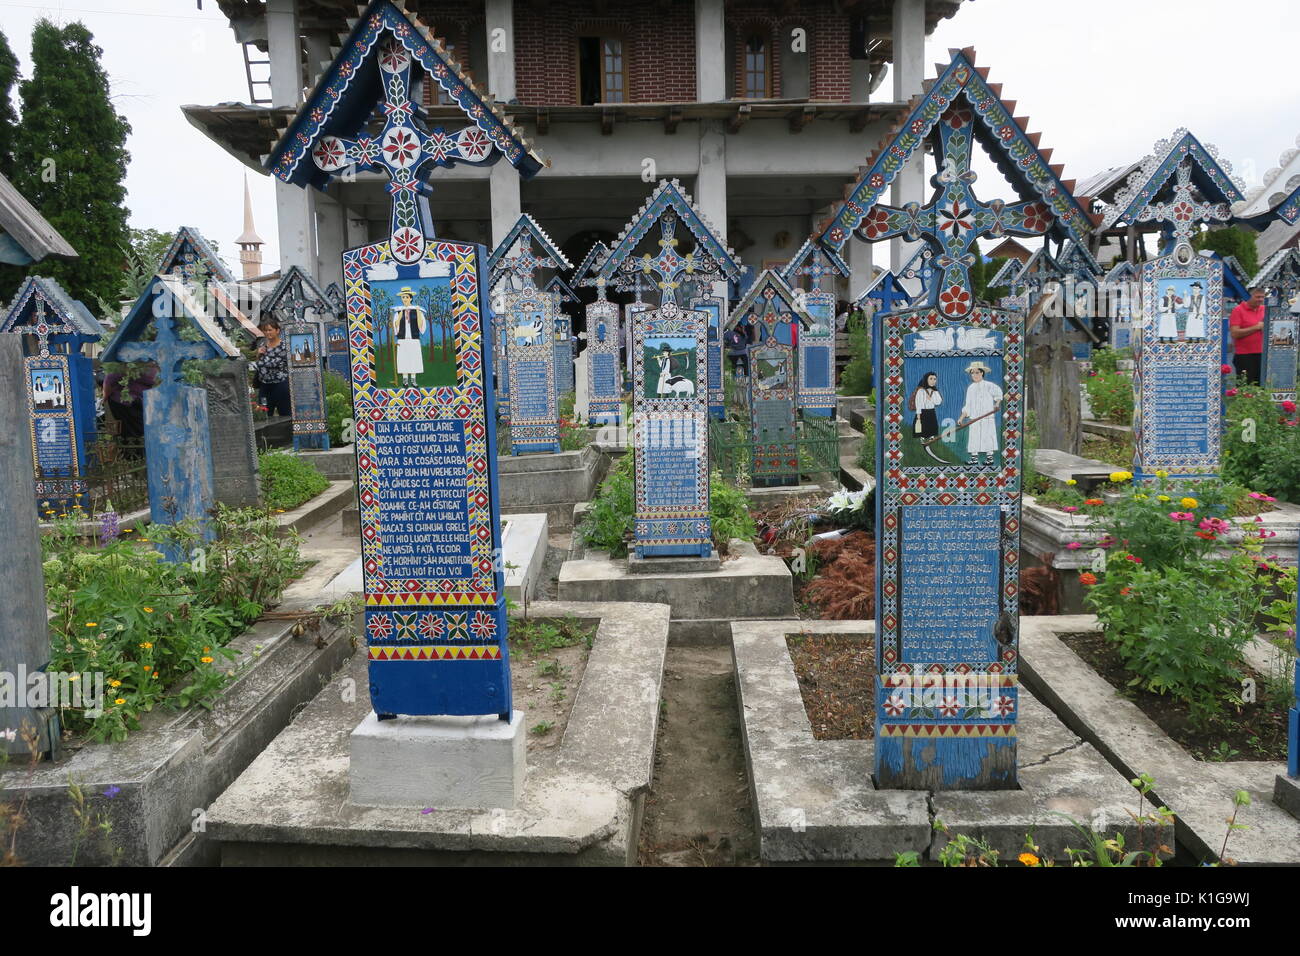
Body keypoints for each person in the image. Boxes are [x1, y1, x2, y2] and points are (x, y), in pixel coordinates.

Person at [958, 360, 1003, 466]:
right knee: (974, 438)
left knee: (988, 437)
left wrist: (997, 403)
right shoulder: (971, 388)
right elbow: (968, 406)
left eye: (977, 372)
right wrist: (961, 417)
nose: (974, 375)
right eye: (972, 373)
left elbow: (998, 393)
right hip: (975, 418)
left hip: (987, 417)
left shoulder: (989, 385)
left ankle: (990, 458)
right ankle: (974, 459)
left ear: (982, 373)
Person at [103, 363, 157, 447]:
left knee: (140, 432)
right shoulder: (129, 363)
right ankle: (133, 455)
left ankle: (137, 453)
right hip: (124, 403)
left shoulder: (154, 366)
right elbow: (111, 379)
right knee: (131, 434)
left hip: (143, 402)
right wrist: (105, 396)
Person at [1229, 286, 1267, 385]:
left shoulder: (1265, 310)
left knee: (1262, 385)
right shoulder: (1238, 310)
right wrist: (1256, 327)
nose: (1260, 300)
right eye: (1257, 297)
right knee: (1245, 385)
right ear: (1248, 297)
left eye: (1262, 297)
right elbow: (1235, 333)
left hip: (1263, 354)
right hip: (1244, 355)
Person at [252, 319, 290, 416]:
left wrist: (263, 362)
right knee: (263, 413)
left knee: (285, 413)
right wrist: (258, 354)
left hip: (280, 384)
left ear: (277, 331)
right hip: (264, 385)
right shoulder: (262, 345)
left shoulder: (284, 346)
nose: (267, 332)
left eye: (270, 330)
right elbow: (259, 363)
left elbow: (276, 363)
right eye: (265, 330)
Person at [390, 286, 426, 385]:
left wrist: (418, 312)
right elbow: (395, 326)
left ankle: (413, 380)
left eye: (406, 297)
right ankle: (405, 380)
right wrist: (400, 316)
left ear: (410, 298)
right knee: (403, 359)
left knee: (414, 359)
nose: (405, 299)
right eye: (403, 297)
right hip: (402, 339)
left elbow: (420, 326)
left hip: (414, 339)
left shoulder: (417, 311)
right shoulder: (398, 312)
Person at [909, 371, 942, 441]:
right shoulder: (921, 391)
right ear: (926, 379)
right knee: (923, 425)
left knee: (932, 424)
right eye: (931, 379)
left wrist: (931, 399)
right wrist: (918, 414)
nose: (933, 381)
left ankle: (931, 437)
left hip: (931, 411)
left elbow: (939, 402)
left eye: (935, 379)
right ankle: (922, 437)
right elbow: (918, 403)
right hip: (923, 412)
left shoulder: (935, 391)